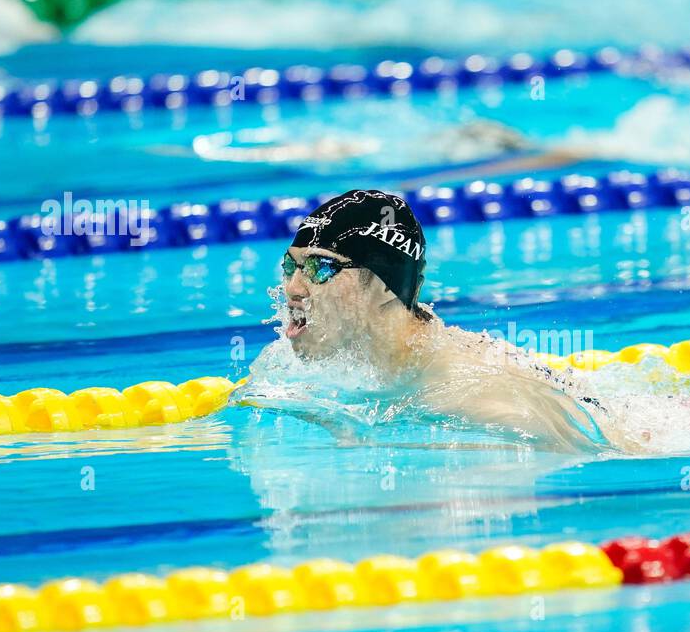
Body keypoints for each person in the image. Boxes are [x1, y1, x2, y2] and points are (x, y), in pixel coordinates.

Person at [270, 188, 645, 453]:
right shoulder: (302, 363)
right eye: (291, 266)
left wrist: (370, 438)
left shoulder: (482, 399)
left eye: (320, 268)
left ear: (385, 285)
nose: (294, 287)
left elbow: (594, 465)